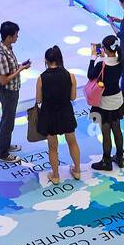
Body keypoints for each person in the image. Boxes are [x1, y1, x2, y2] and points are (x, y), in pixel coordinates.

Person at [34, 46, 81, 184]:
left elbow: (38, 100)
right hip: (66, 112)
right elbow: (73, 97)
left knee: (52, 147)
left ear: (46, 60)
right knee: (72, 142)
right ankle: (77, 170)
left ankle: (55, 176)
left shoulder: (41, 78)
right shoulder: (70, 76)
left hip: (49, 114)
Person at [0, 21, 29, 164]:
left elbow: (9, 69)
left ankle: (6, 145)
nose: (17, 37)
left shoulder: (8, 49)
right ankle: (2, 153)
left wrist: (20, 66)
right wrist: (20, 70)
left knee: (10, 120)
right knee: (7, 121)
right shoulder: (1, 56)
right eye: (15, 35)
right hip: (8, 92)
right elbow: (4, 80)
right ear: (8, 37)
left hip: (13, 90)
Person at [87, 35, 124, 171]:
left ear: (104, 48)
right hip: (117, 99)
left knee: (106, 131)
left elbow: (90, 75)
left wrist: (94, 57)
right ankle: (120, 157)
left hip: (105, 102)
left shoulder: (101, 64)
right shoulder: (121, 60)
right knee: (117, 129)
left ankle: (106, 161)